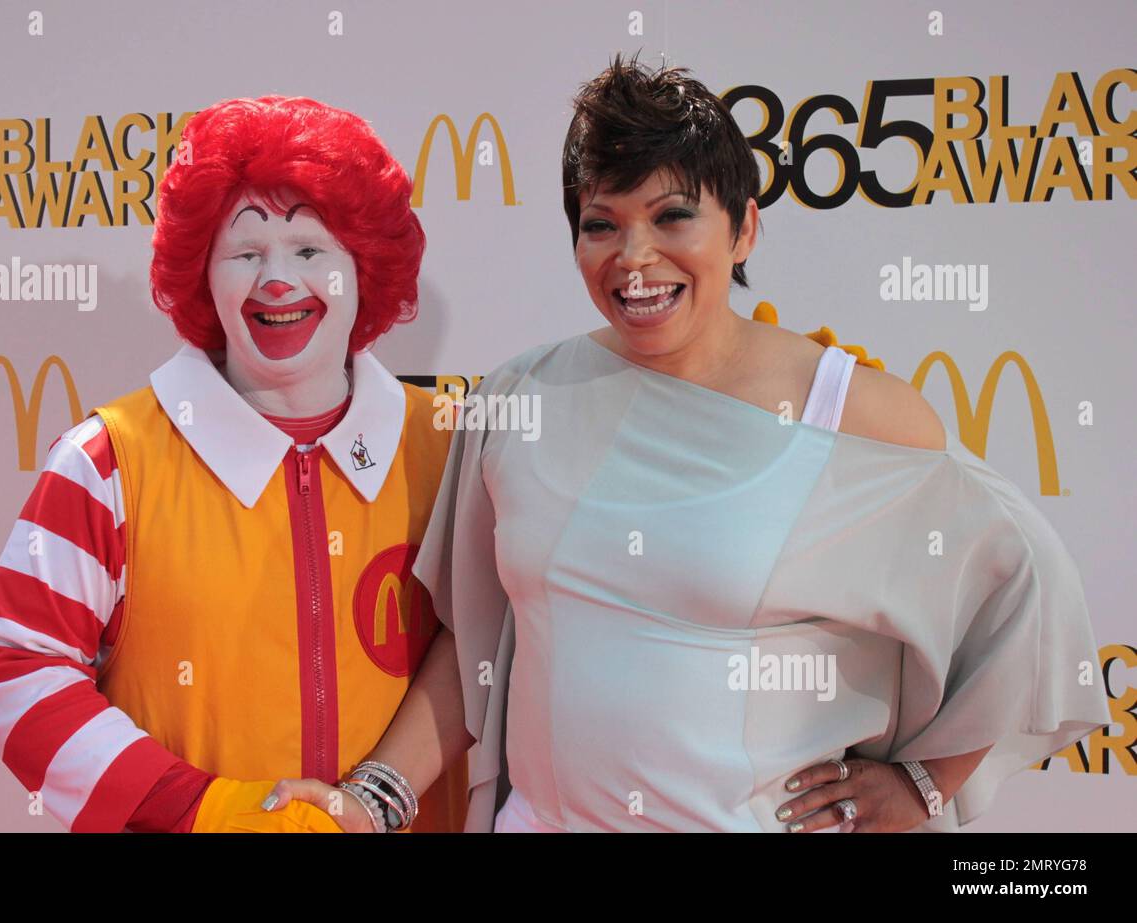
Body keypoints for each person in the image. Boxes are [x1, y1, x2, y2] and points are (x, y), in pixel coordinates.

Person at [268, 53, 1111, 833]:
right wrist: (371, 798)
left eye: (673, 216)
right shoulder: (519, 396)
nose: (636, 258)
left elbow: (1026, 592)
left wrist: (927, 785)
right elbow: (481, 645)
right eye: (602, 224)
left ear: (744, 230)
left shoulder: (851, 413)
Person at [0, 95, 467, 833]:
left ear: (364, 267)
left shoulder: (452, 448)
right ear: (203, 272)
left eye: (309, 250)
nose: (277, 279)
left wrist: (374, 800)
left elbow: (492, 636)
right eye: (245, 251)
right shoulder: (109, 462)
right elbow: (15, 668)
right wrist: (211, 816)